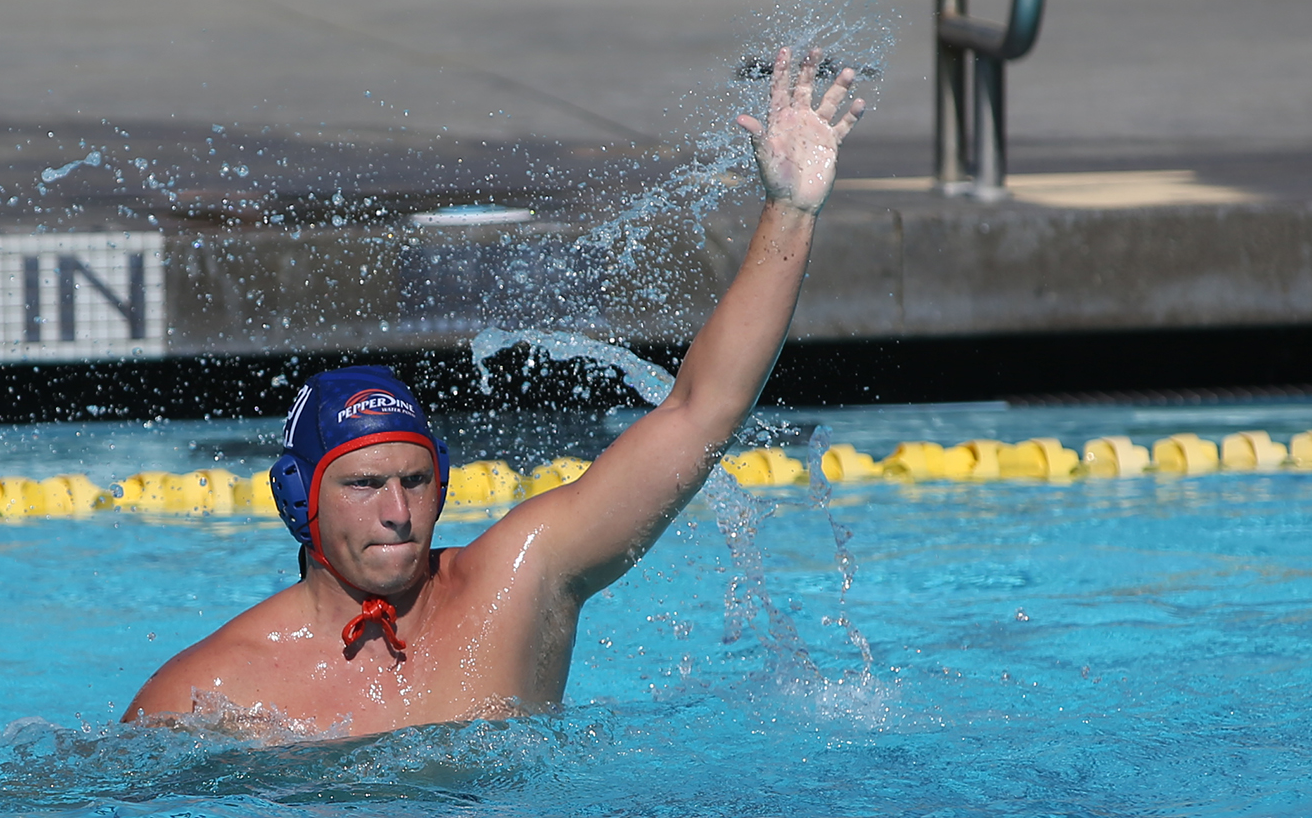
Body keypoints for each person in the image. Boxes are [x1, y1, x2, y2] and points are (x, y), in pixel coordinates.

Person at [124, 48, 863, 736]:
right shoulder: (208, 694)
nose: (397, 512)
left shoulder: (521, 580)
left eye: (416, 481)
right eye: (364, 485)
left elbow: (699, 411)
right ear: (298, 499)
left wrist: (791, 210)